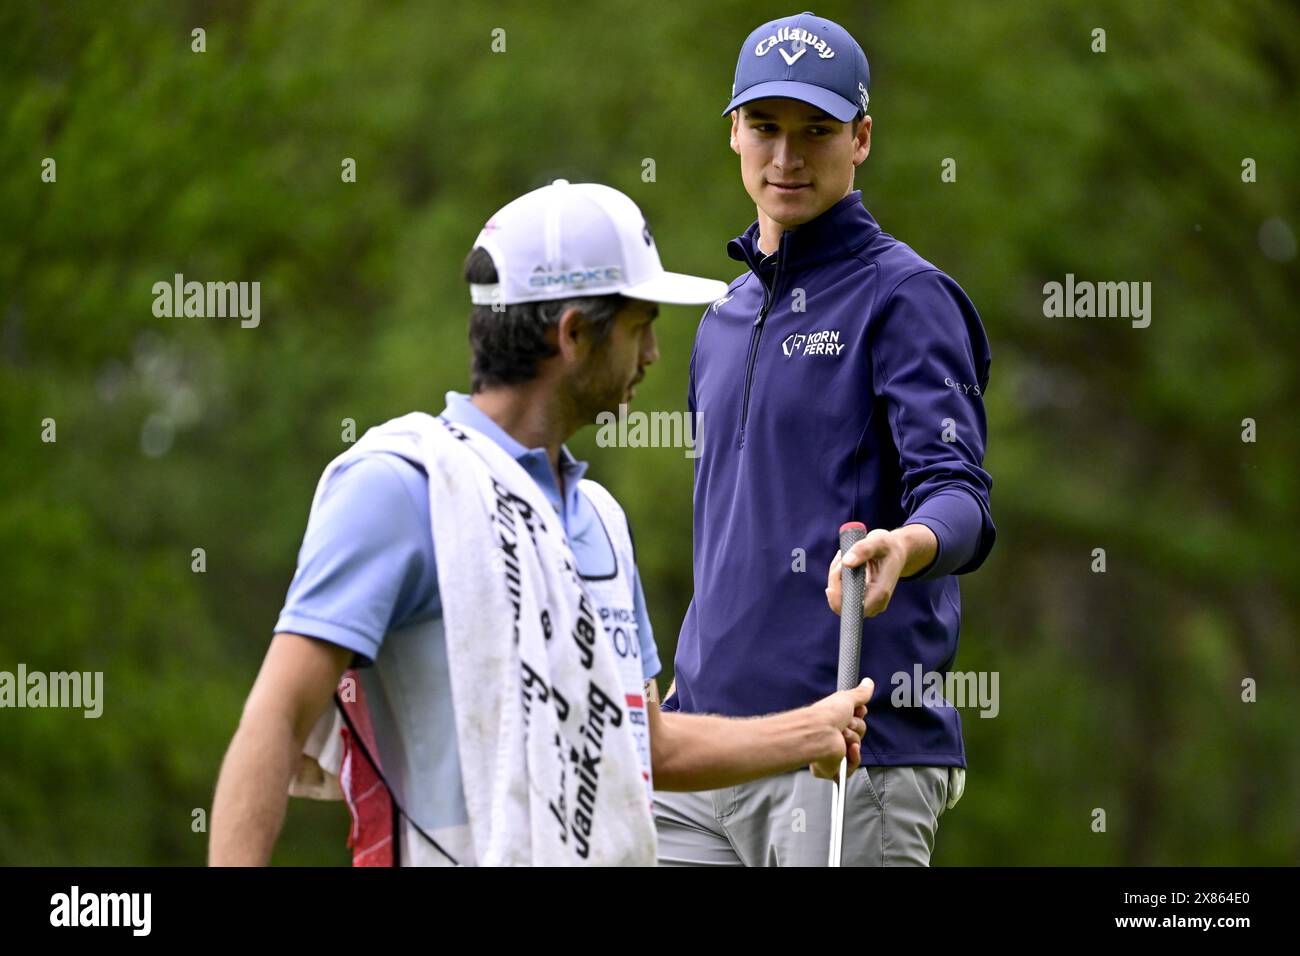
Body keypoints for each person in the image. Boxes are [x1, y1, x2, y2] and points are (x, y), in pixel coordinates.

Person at [209, 179, 874, 867]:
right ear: (574, 335)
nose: (651, 355)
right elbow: (278, 717)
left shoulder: (602, 520)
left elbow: (647, 745)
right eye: (640, 326)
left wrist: (806, 733)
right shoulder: (401, 487)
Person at [654, 12, 996, 867]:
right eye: (765, 128)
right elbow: (735, 528)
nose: (786, 158)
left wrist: (908, 545)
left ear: (862, 137)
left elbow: (960, 494)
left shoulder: (907, 296)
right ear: (732, 130)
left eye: (817, 131)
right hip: (701, 748)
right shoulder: (721, 319)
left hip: (849, 752)